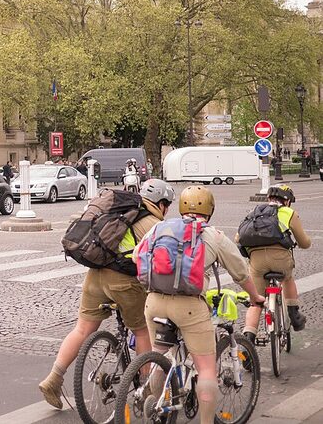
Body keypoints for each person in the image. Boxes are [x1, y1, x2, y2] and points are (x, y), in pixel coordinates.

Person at [38, 179, 175, 409]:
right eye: (167, 205)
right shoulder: (152, 223)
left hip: (95, 276)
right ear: (162, 204)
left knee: (82, 329)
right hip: (123, 282)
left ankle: (53, 378)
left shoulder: (119, 210)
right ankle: (146, 389)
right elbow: (164, 263)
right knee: (142, 331)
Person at [140, 186, 265, 424]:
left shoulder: (158, 228)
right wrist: (255, 296)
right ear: (210, 210)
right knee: (206, 368)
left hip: (153, 302)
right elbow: (240, 271)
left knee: (160, 355)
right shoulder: (213, 235)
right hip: (188, 306)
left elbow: (138, 256)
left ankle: (160, 406)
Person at [238, 184, 312, 341]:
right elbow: (304, 242)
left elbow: (238, 238)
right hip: (280, 259)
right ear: (287, 201)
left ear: (268, 198)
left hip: (256, 261)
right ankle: (294, 316)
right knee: (287, 278)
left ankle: (248, 341)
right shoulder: (288, 212)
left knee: (256, 301)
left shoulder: (255, 212)